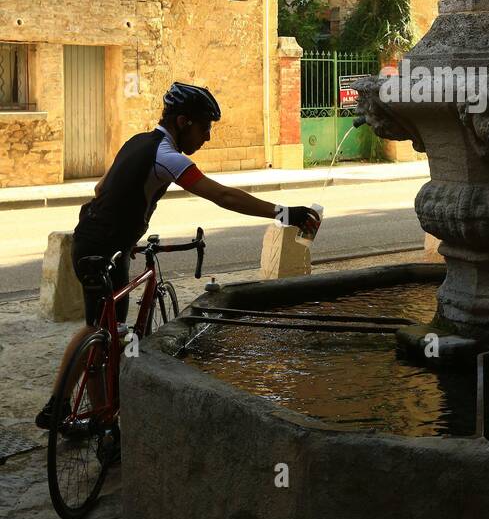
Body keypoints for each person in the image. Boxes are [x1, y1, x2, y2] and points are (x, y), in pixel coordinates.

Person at [35, 81, 320, 428]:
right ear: (184, 122)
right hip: (100, 247)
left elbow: (100, 188)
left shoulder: (138, 142)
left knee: (106, 334)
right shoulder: (166, 155)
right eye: (204, 127)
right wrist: (284, 214)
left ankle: (101, 419)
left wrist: (123, 222)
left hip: (102, 242)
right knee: (97, 328)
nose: (207, 137)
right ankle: (57, 405)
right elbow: (223, 196)